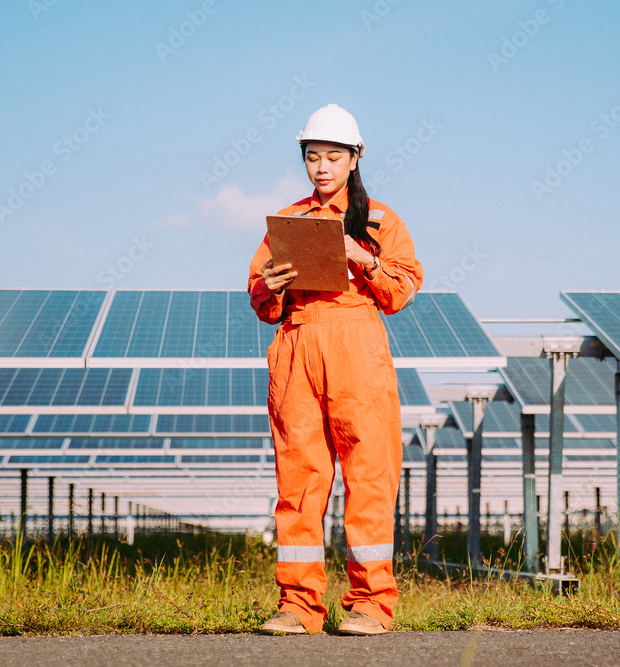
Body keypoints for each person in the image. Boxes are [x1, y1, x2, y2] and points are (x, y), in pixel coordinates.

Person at [247, 104, 424, 636]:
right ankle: (298, 606)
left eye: (333, 156)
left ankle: (371, 604)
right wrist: (271, 287)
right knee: (299, 479)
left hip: (357, 345)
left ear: (354, 158)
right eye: (312, 156)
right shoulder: (288, 220)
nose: (322, 167)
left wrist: (364, 258)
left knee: (369, 474)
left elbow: (403, 288)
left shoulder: (380, 220)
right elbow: (259, 297)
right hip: (298, 343)